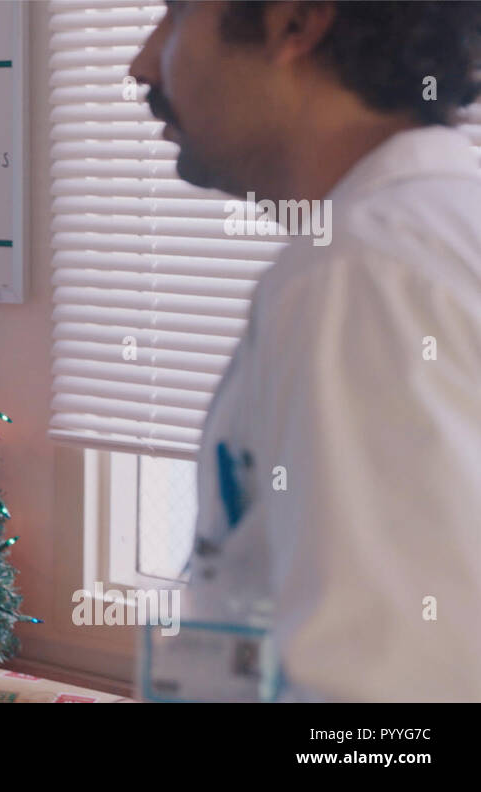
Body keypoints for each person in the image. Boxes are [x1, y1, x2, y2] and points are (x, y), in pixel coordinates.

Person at [130, 0, 481, 701]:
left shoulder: (361, 275)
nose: (142, 62)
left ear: (296, 23)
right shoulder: (428, 232)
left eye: (176, 15)